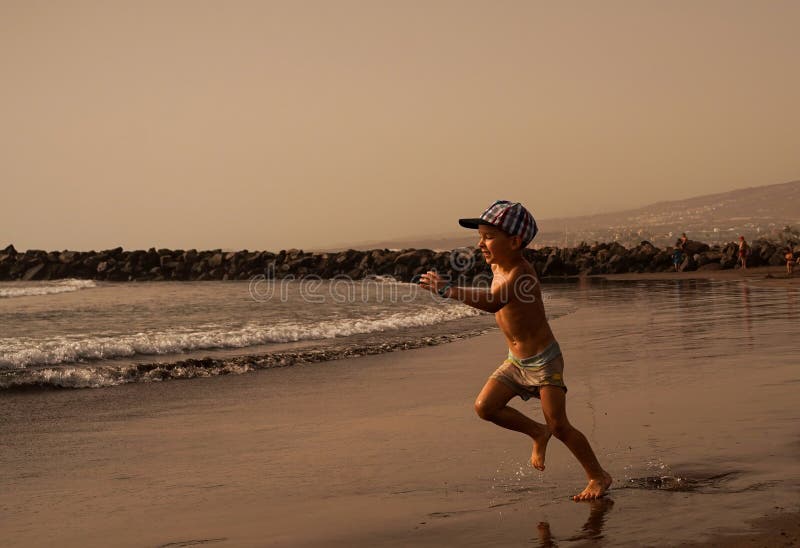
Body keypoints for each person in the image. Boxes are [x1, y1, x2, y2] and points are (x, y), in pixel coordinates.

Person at [418, 200, 612, 501]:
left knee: (559, 426)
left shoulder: (520, 272)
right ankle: (536, 432)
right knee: (485, 407)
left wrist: (448, 290)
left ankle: (598, 476)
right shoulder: (496, 265)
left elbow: (494, 301)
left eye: (488, 237)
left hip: (545, 360)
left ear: (515, 241)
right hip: (516, 362)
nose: (481, 243)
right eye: (480, 236)